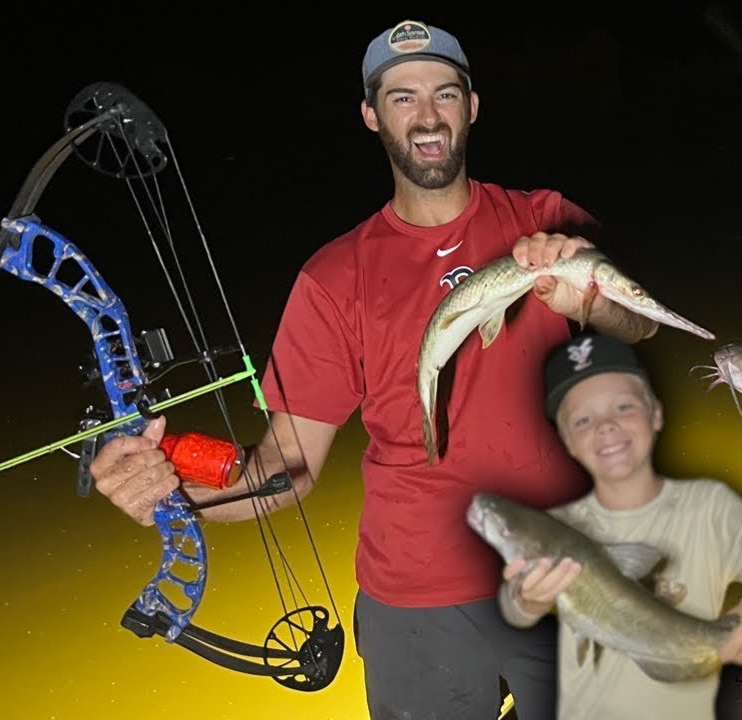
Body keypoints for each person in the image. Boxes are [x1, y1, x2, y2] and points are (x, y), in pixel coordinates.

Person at [87, 19, 663, 720]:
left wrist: (590, 301)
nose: (428, 116)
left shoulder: (544, 221)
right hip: (419, 600)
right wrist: (169, 496)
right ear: (371, 115)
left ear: (471, 106)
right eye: (402, 97)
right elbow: (287, 470)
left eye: (444, 93)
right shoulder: (335, 277)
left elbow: (640, 318)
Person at [493, 332, 742, 720]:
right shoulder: (560, 524)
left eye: (623, 406)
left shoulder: (707, 508)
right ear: (566, 439)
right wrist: (525, 601)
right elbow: (511, 607)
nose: (605, 426)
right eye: (583, 418)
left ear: (656, 414)